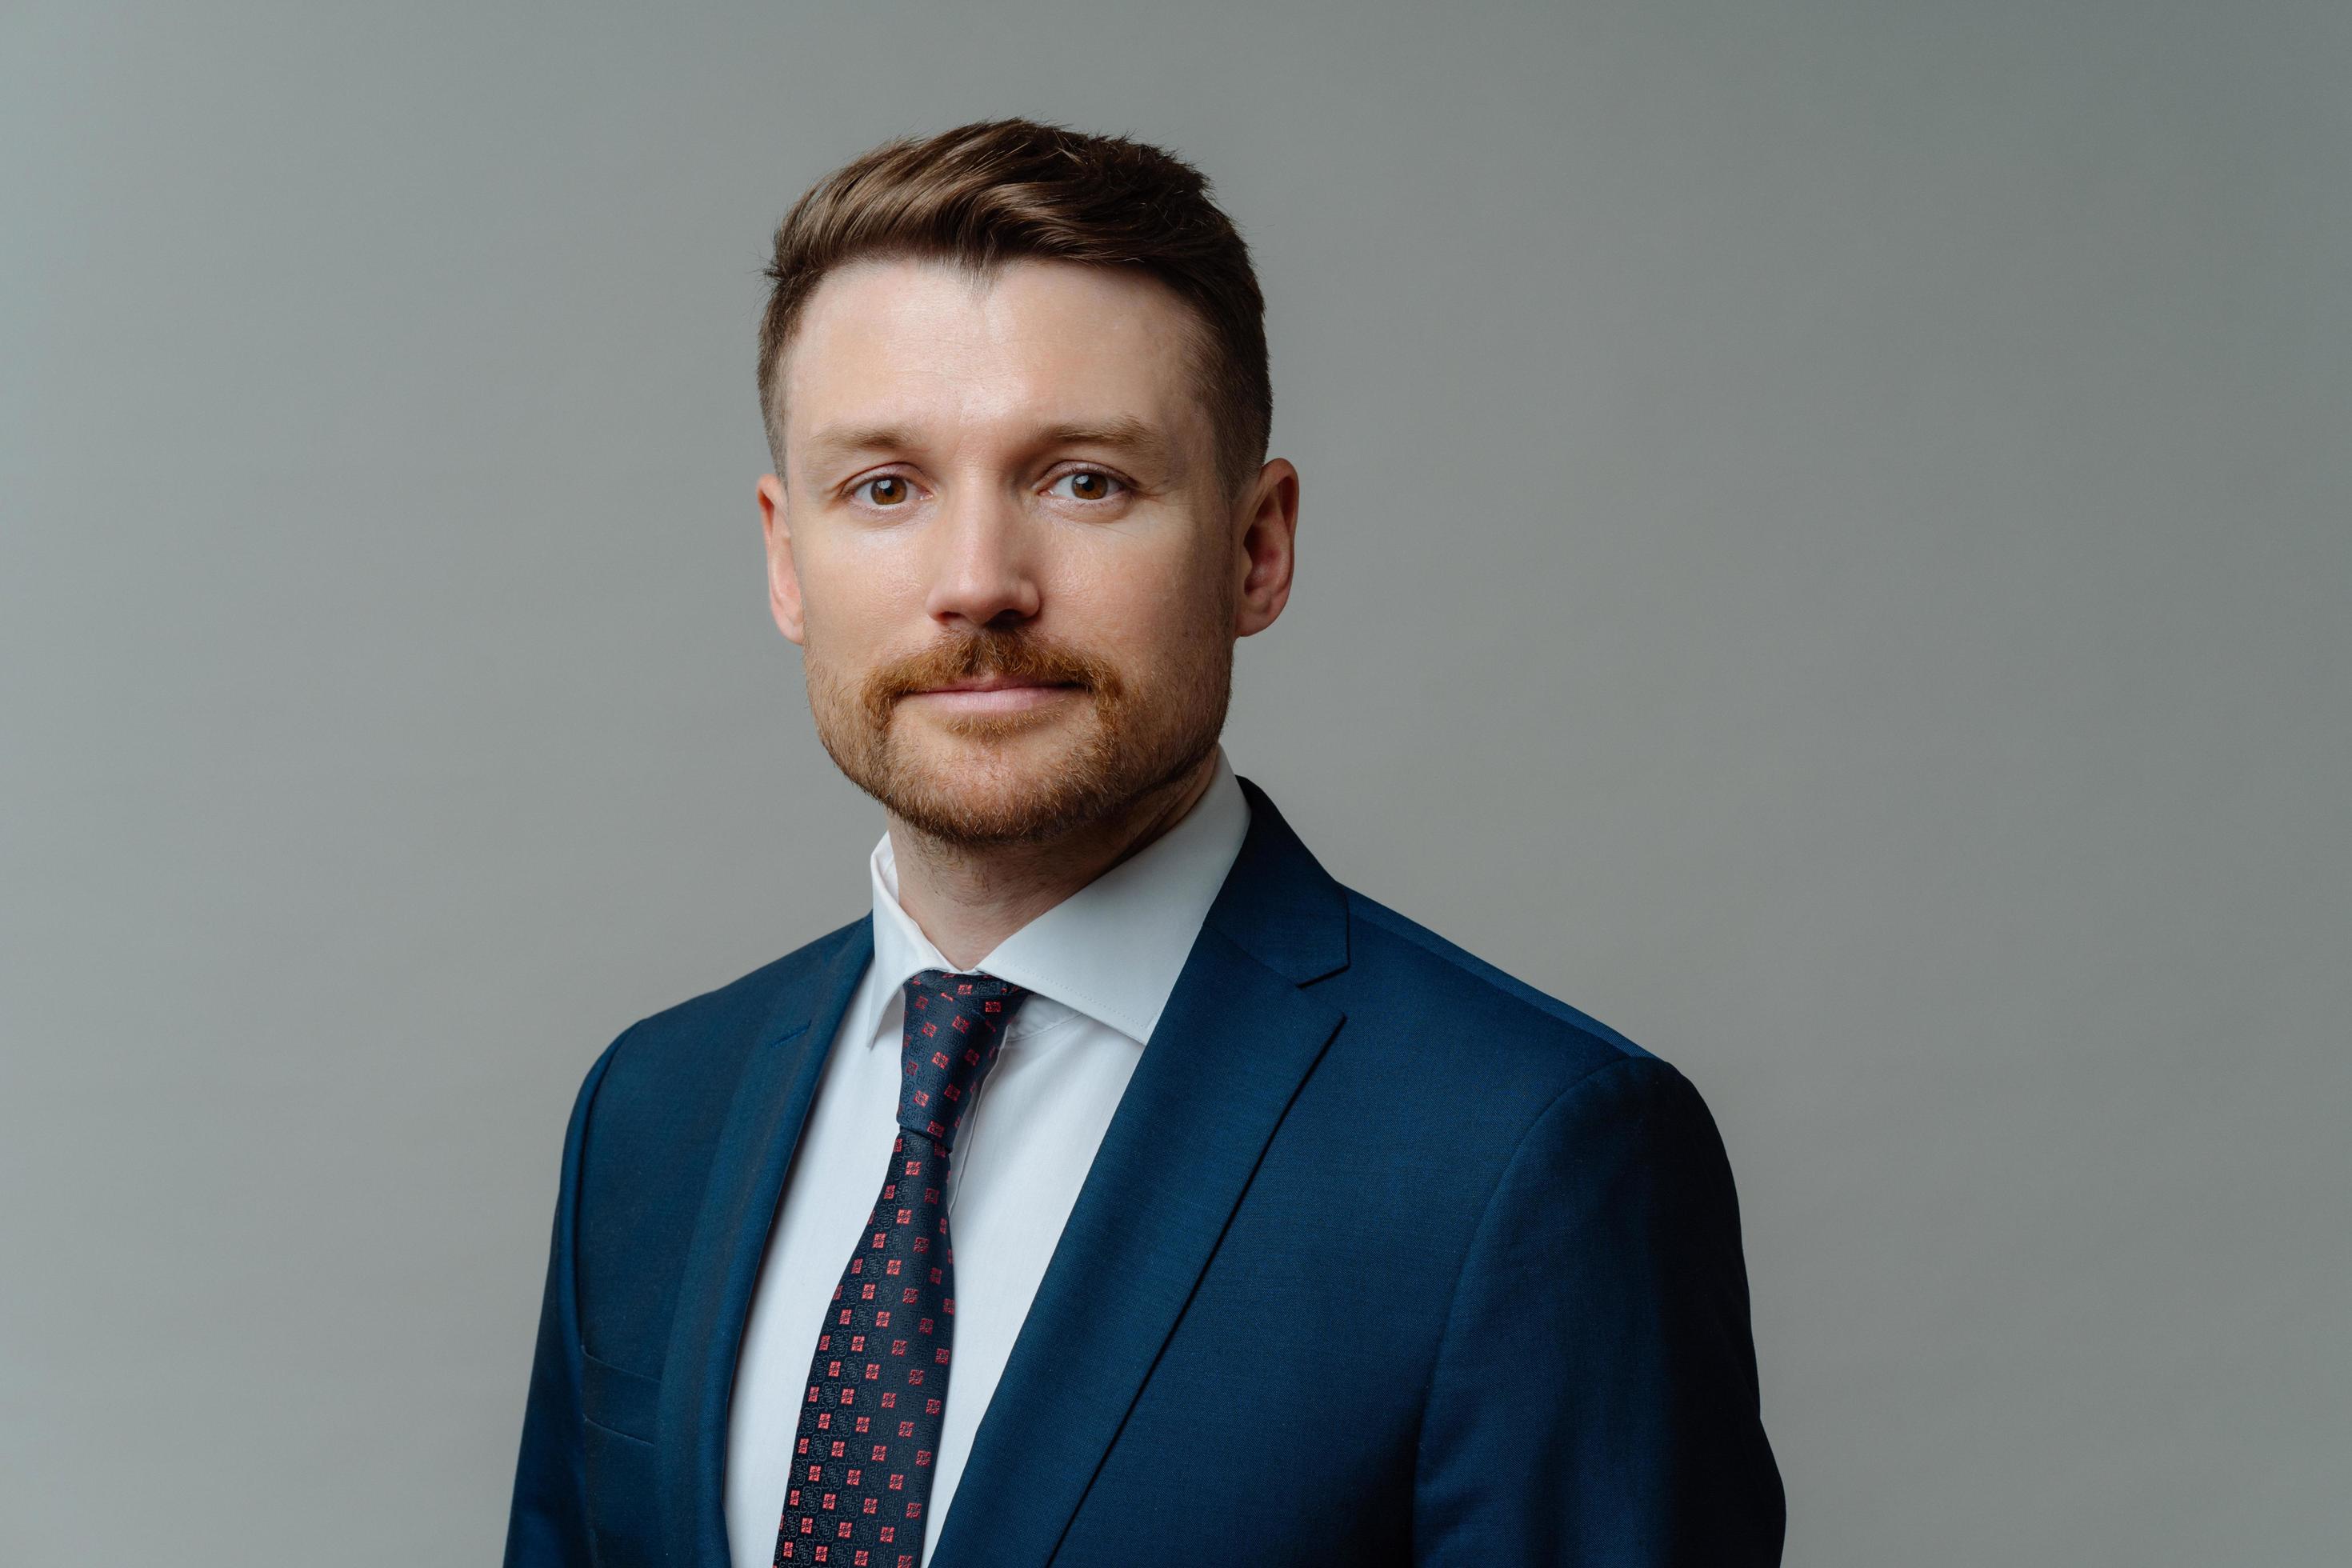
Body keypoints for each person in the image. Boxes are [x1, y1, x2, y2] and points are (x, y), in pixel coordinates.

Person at [502, 118, 1784, 1568]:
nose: (979, 583)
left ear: (1257, 547)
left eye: (1084, 481)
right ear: (787, 558)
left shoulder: (1529, 1160)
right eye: (886, 487)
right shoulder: (651, 1113)